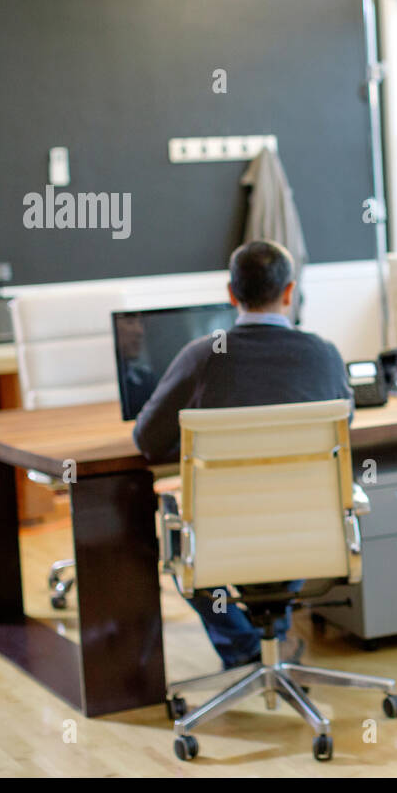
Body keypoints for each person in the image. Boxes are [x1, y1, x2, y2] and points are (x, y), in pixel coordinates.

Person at [134, 240, 353, 669]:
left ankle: (245, 650)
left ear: (231, 294)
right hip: (307, 529)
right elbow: (344, 433)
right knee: (288, 508)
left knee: (183, 539)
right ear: (290, 292)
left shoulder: (202, 356)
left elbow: (148, 440)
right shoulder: (324, 355)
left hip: (222, 532)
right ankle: (271, 646)